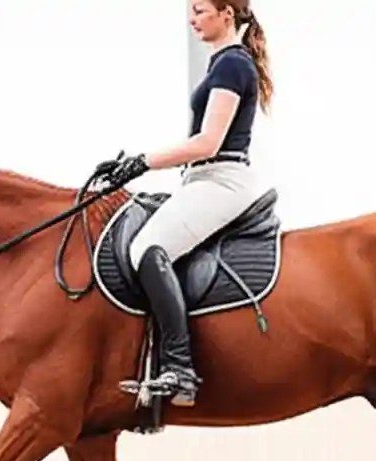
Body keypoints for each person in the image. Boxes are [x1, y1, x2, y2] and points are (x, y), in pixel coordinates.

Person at [96, 0, 274, 408]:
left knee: (146, 248)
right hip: (204, 179)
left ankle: (179, 368)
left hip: (222, 180)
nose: (191, 19)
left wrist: (141, 162)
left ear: (227, 13)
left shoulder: (232, 65)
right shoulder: (223, 64)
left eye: (199, 10)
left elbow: (207, 143)